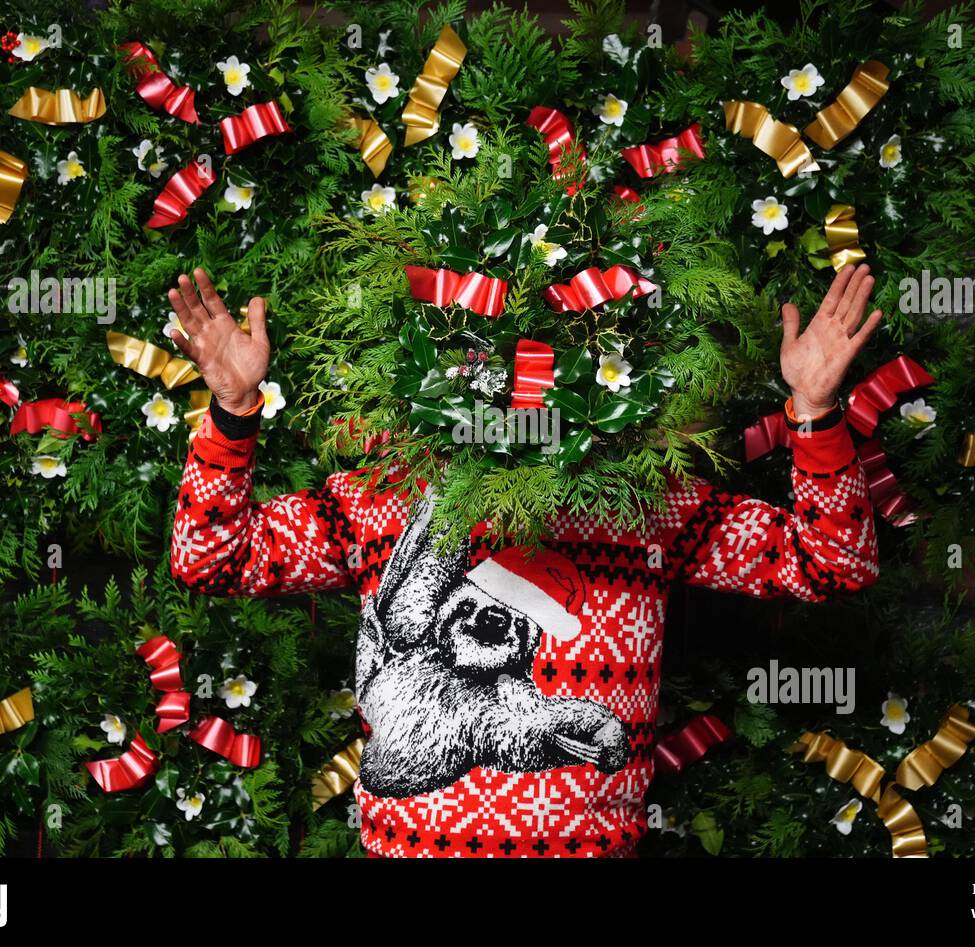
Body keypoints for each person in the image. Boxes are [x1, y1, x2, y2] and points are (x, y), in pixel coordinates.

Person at [167, 263, 884, 857]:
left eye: (547, 357)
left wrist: (814, 412)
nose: (519, 378)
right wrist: (233, 408)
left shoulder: (643, 503)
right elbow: (211, 559)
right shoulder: (386, 500)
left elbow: (831, 562)